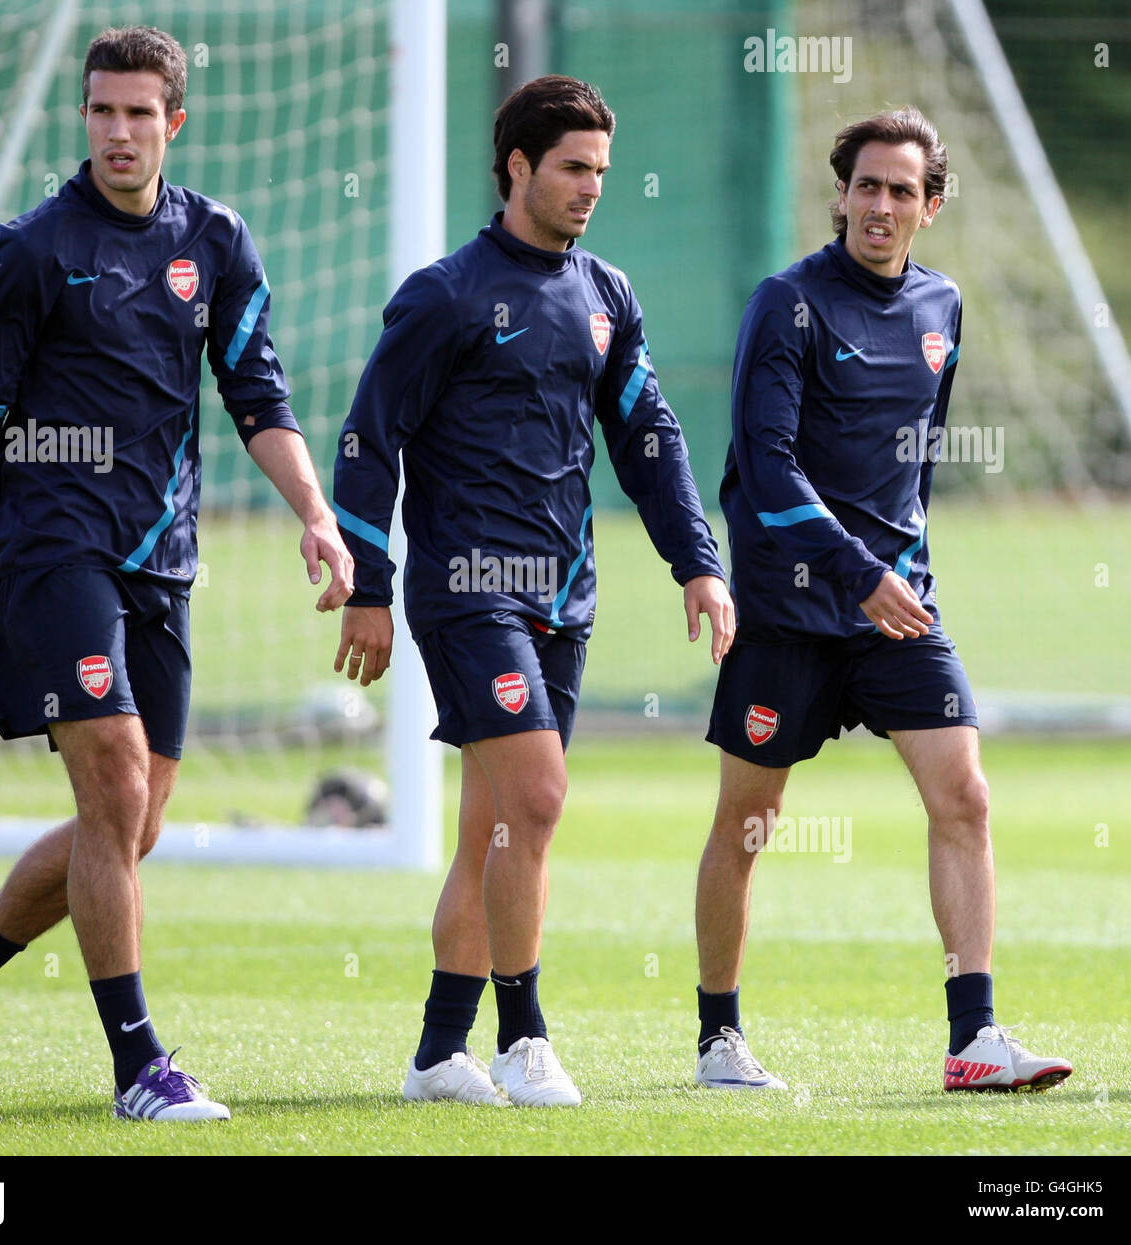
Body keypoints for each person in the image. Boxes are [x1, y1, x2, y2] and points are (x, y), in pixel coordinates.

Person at [0, 26, 352, 1122]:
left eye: (140, 112)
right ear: (82, 118)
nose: (119, 130)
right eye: (102, 110)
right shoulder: (32, 249)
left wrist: (319, 518)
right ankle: (140, 1065)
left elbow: (257, 400)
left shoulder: (216, 241)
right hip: (49, 549)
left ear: (173, 123)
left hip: (160, 559)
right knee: (115, 785)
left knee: (131, 822)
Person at [332, 75, 733, 1107]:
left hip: (565, 593)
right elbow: (369, 438)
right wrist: (369, 585)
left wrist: (697, 560)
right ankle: (524, 1038)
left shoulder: (606, 295)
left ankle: (436, 1053)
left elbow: (648, 437)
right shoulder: (446, 294)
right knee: (541, 797)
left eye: (600, 169)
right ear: (516, 166)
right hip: (468, 590)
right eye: (571, 168)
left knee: (499, 827)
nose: (591, 187)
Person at [692, 107, 1072, 1093]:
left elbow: (918, 465)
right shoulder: (786, 305)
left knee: (965, 796)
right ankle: (718, 1038)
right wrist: (858, 571)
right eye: (866, 185)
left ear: (929, 207)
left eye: (902, 190)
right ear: (840, 194)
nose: (880, 204)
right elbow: (763, 469)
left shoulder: (943, 307)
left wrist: (897, 572)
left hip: (899, 607)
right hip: (792, 608)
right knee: (749, 818)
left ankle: (973, 1041)